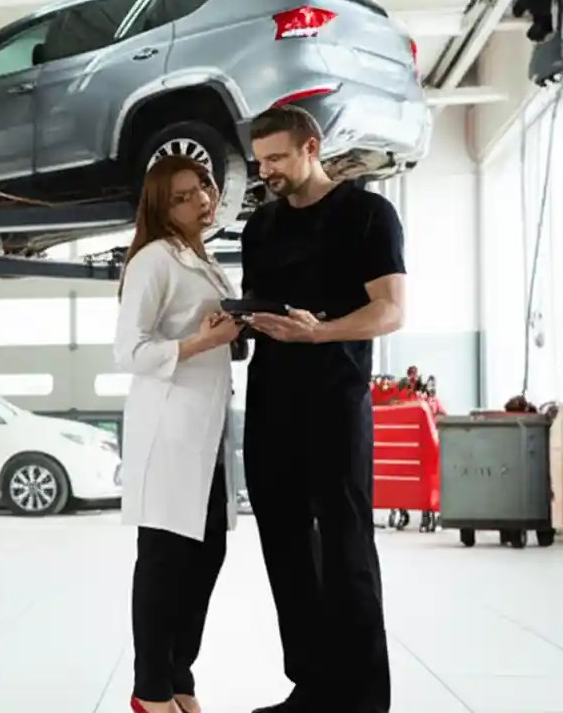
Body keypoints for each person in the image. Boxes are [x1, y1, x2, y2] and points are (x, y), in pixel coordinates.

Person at [238, 105, 406, 713]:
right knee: (283, 546)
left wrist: (321, 331)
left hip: (335, 402)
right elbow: (261, 306)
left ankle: (362, 698)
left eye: (278, 158)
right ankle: (311, 687)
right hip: (270, 403)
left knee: (345, 546)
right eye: (261, 161)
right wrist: (235, 324)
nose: (268, 171)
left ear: (312, 147)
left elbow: (390, 311)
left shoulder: (367, 214)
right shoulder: (260, 227)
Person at [114, 155, 243, 713]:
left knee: (206, 556)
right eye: (185, 196)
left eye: (205, 188)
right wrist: (202, 343)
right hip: (169, 430)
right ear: (161, 207)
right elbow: (130, 351)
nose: (202, 201)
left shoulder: (201, 260)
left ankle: (180, 679)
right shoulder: (152, 260)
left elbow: (205, 332)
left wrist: (231, 334)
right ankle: (151, 691)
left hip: (208, 431)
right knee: (165, 561)